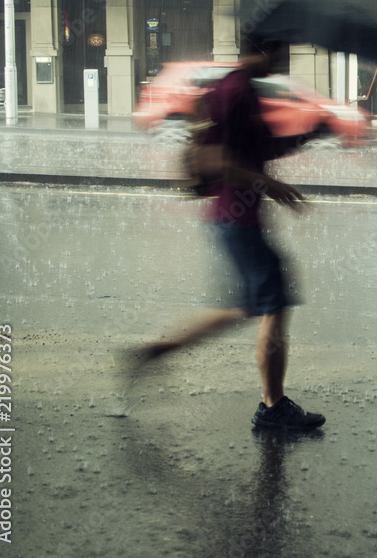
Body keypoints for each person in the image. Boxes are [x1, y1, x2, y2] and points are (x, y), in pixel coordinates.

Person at [131, 37, 326, 431]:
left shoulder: (245, 91)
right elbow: (215, 159)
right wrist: (270, 186)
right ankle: (273, 407)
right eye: (281, 52)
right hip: (235, 217)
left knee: (248, 306)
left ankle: (158, 351)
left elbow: (258, 147)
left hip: (237, 216)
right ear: (262, 49)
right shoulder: (234, 91)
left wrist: (309, 134)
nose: (284, 60)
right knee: (274, 302)